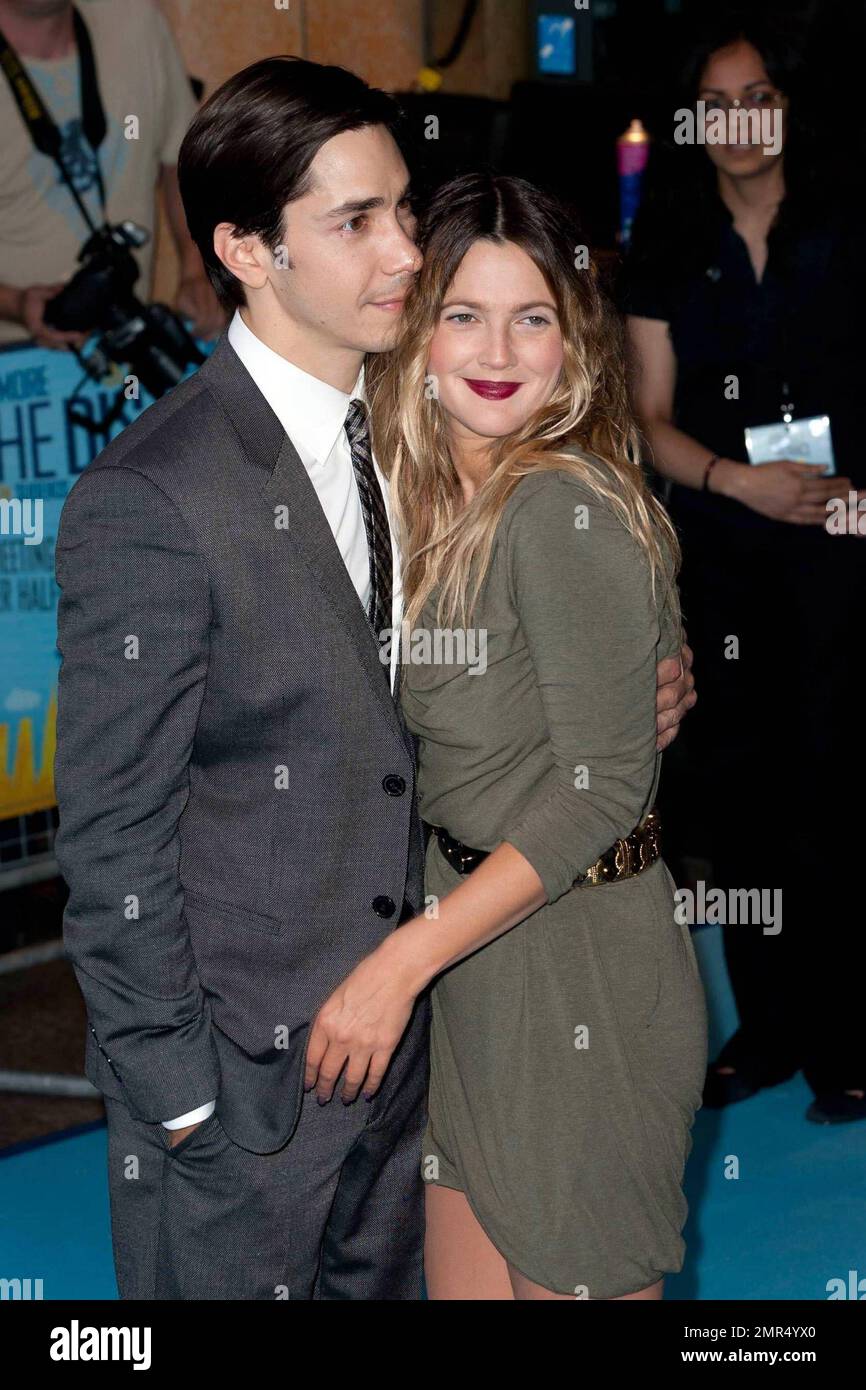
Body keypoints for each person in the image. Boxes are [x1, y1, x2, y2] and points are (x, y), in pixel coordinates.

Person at [54, 57, 695, 1301]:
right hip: (241, 1097)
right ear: (246, 250)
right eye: (353, 223)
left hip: (421, 1050)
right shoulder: (157, 495)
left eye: (403, 209)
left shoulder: (408, 441)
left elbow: (551, 710)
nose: (404, 252)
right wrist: (181, 1099)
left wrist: (643, 685)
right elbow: (112, 840)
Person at [302, 170, 709, 1302]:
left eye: (530, 315)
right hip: (480, 966)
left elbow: (597, 790)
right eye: (463, 314)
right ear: (416, 335)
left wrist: (398, 965)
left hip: (579, 962)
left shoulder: (556, 506)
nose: (497, 347)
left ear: (571, 339)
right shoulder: (424, 500)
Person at [620, 13, 866, 1124]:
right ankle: (764, 1027)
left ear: (786, 100)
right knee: (742, 796)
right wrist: (732, 482)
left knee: (840, 786)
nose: (735, 120)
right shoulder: (666, 238)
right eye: (712, 103)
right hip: (723, 546)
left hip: (850, 540)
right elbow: (644, 417)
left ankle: (849, 1035)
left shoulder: (850, 215)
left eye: (753, 94)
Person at [0, 0, 224, 350]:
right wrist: (16, 304)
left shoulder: (136, 23)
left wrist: (197, 271)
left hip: (126, 351)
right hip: (13, 363)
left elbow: (181, 158)